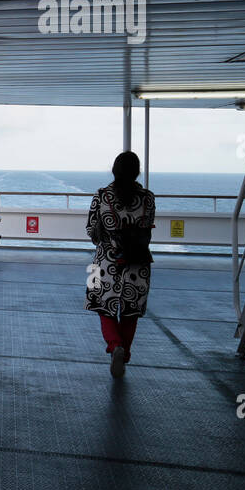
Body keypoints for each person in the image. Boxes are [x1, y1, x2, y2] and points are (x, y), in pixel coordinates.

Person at [85, 151, 155, 378]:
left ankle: (115, 345)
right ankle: (123, 355)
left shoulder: (102, 196)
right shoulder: (148, 198)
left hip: (106, 262)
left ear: (114, 170)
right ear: (137, 172)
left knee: (102, 308)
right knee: (130, 313)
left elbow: (92, 233)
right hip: (138, 263)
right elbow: (147, 230)